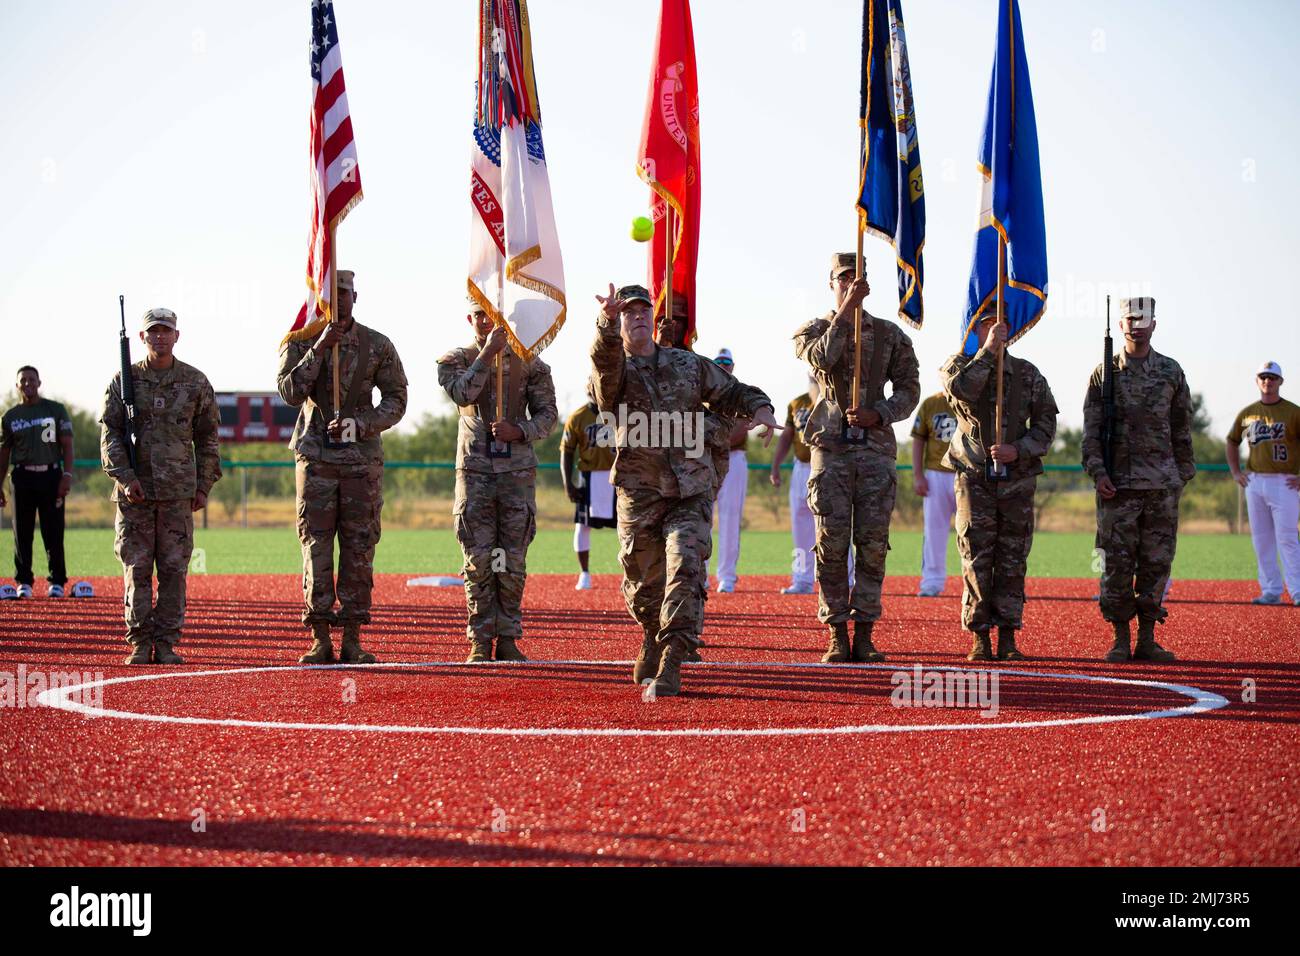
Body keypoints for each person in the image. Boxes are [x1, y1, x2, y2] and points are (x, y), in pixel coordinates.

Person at [590, 283, 780, 697]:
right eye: (628, 312)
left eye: (643, 309)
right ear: (618, 322)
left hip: (690, 488)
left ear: (652, 318)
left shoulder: (687, 364)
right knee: (643, 583)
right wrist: (604, 324)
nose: (637, 316)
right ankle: (650, 633)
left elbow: (731, 390)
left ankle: (673, 659)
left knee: (685, 567)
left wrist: (760, 408)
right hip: (639, 494)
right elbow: (604, 381)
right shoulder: (614, 369)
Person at [792, 253, 920, 664]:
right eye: (842, 279)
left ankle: (865, 633)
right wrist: (845, 312)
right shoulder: (813, 328)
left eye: (856, 279)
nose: (849, 284)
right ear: (831, 283)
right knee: (830, 544)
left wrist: (880, 413)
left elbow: (909, 389)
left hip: (875, 451)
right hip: (830, 449)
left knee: (871, 545)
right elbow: (822, 359)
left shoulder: (890, 335)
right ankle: (836, 633)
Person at [277, 270, 408, 665]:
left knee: (359, 548)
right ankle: (320, 638)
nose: (340, 299)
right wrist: (319, 348)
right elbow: (289, 391)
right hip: (316, 460)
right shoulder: (300, 340)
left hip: (360, 463)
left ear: (356, 296)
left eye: (346, 293)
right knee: (316, 546)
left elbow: (398, 397)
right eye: (332, 293)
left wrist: (362, 424)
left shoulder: (376, 344)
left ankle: (352, 637)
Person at [100, 308, 221, 664]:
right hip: (134, 494)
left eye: (166, 331)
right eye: (153, 332)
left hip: (177, 495)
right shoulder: (124, 382)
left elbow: (209, 438)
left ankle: (166, 642)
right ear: (142, 338)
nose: (159, 337)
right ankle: (139, 641)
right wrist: (126, 478)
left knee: (173, 570)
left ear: (176, 336)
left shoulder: (195, 382)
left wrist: (204, 486)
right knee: (136, 570)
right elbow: (110, 435)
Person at [438, 301, 557, 662]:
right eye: (478, 314)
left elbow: (548, 416)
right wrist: (488, 352)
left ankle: (507, 636)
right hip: (474, 473)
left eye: (492, 313)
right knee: (479, 559)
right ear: (469, 318)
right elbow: (463, 393)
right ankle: (479, 638)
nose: (486, 320)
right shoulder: (455, 359)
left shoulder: (532, 364)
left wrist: (519, 430)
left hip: (516, 476)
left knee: (511, 558)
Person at [1082, 296, 1194, 663]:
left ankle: (1147, 638)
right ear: (1120, 325)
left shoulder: (1170, 371)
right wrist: (1098, 473)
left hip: (1161, 487)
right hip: (1118, 488)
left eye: (1143, 319)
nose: (1136, 324)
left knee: (1156, 563)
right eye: (1130, 318)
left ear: (1154, 324)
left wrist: (1181, 474)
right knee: (1115, 565)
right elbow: (1091, 433)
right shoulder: (1105, 373)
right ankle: (1119, 638)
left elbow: (1182, 428)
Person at [940, 313, 1058, 661]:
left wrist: (1018, 450)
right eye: (986, 322)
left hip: (1016, 479)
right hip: (973, 475)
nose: (996, 328)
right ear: (973, 328)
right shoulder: (957, 366)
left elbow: (1046, 422)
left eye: (1002, 322)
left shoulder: (1027, 374)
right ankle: (979, 637)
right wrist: (988, 351)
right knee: (976, 555)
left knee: (1012, 556)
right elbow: (962, 391)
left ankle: (1008, 635)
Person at [1226, 361, 1300, 606]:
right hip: (1255, 482)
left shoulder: (1293, 412)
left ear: (1280, 381)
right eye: (1263, 377)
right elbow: (1232, 441)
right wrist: (1236, 472)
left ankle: (1298, 590)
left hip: (1285, 482)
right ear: (1257, 381)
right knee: (1262, 539)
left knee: (1288, 538)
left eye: (1272, 377)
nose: (1268, 381)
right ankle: (1271, 590)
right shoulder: (1248, 413)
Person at [1, 367, 74, 598]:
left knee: (53, 531)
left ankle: (57, 581)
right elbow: (4, 453)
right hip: (22, 477)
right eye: (23, 380)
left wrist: (67, 475)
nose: (27, 383)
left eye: (31, 379)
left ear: (39, 382)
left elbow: (68, 445)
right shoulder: (10, 417)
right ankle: (24, 581)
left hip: (50, 475)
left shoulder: (55, 410)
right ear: (17, 385)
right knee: (21, 531)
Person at [560, 382, 616, 590]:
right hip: (589, 476)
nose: (596, 391)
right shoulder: (578, 417)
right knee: (582, 526)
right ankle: (584, 573)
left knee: (628, 527)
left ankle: (631, 573)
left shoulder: (621, 413)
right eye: (592, 387)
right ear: (587, 390)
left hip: (617, 476)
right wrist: (568, 483)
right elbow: (566, 451)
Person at [770, 377, 819, 594]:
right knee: (800, 527)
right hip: (801, 467)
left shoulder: (835, 401)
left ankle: (845, 579)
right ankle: (802, 578)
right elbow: (787, 436)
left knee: (833, 525)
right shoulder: (797, 403)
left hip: (828, 464)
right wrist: (775, 466)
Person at [910, 391, 959, 597]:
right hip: (936, 474)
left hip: (966, 473)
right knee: (934, 531)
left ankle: (977, 582)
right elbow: (918, 440)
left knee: (974, 532)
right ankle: (932, 581)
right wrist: (918, 475)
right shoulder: (931, 403)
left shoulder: (975, 399)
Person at [711, 348, 750, 593]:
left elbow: (742, 428)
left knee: (729, 518)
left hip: (733, 458)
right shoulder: (705, 391)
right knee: (700, 515)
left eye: (727, 362)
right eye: (719, 362)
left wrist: (713, 440)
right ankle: (697, 573)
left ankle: (726, 575)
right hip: (708, 458)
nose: (723, 365)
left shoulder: (740, 392)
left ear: (733, 366)